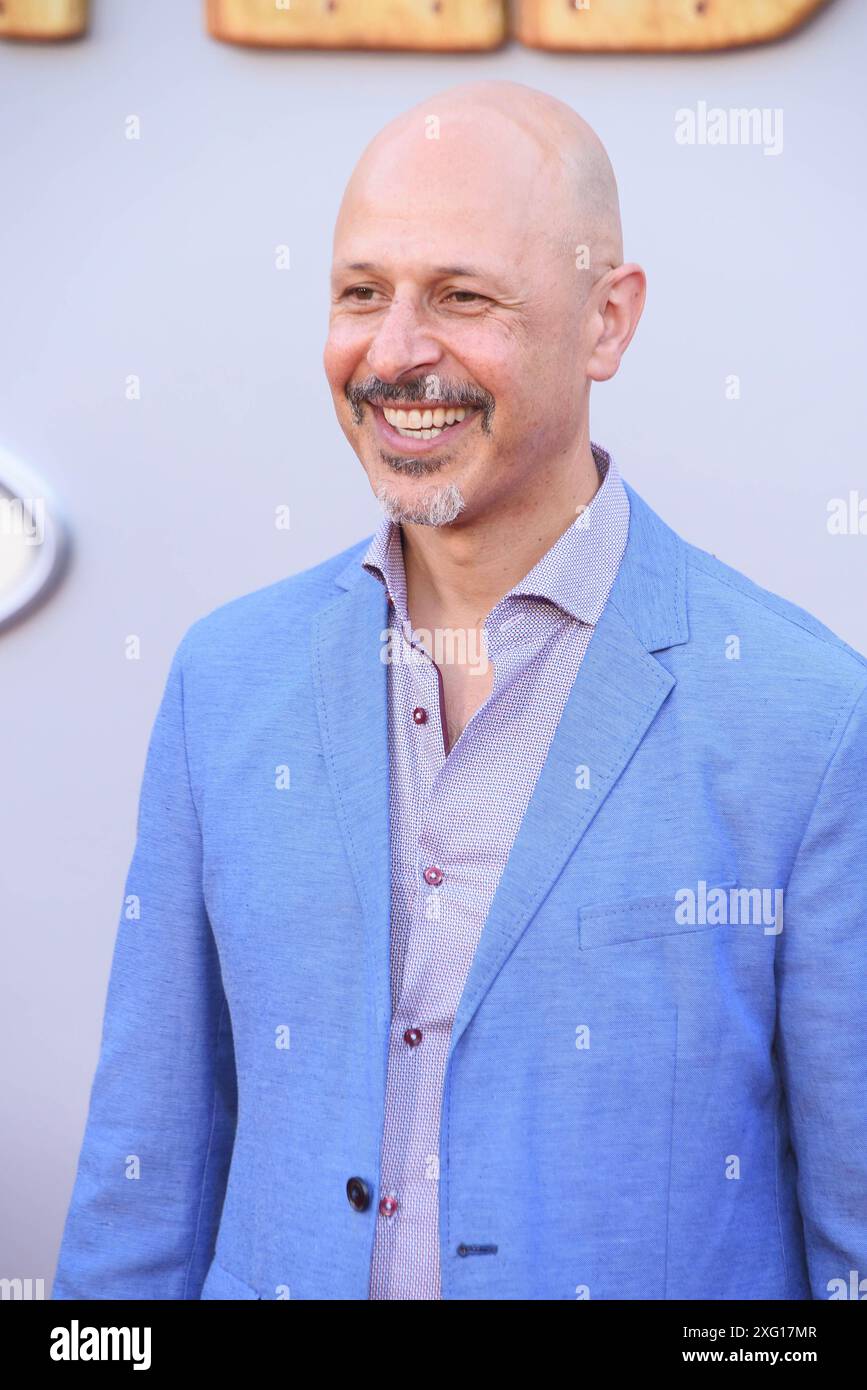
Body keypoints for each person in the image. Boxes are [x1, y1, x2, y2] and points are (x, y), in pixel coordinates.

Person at [53, 80, 867, 1301]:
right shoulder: (223, 681)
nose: (393, 353)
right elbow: (139, 1195)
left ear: (607, 322)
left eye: (462, 297)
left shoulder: (808, 718)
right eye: (361, 292)